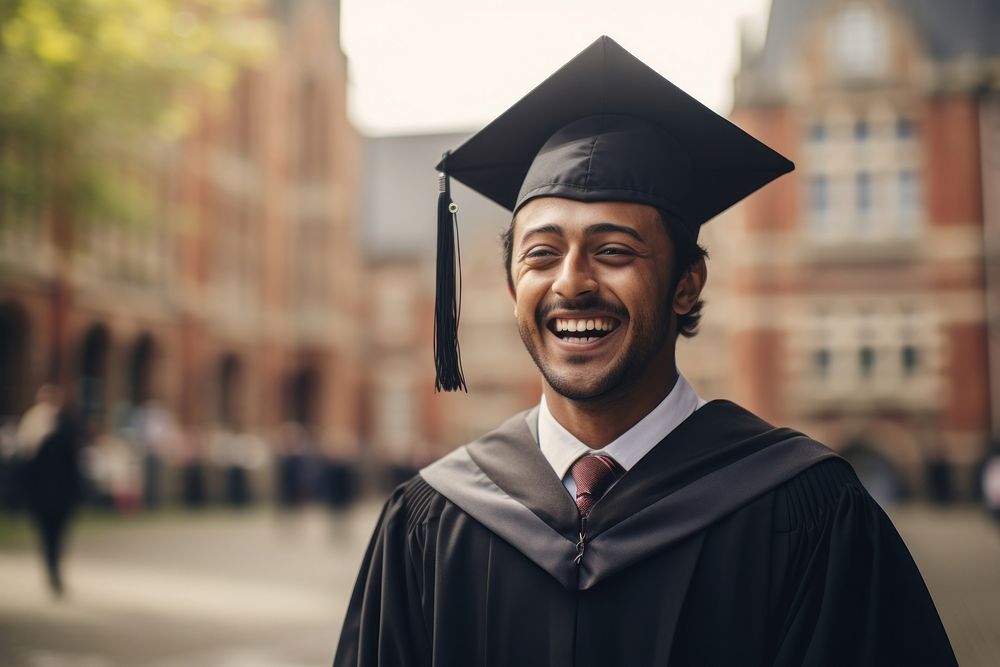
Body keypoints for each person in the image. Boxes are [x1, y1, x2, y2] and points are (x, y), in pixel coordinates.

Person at [334, 37, 956, 666]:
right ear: (511, 285)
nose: (571, 283)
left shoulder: (807, 513)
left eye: (614, 251)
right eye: (541, 255)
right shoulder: (432, 520)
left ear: (687, 284)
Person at [24, 404, 84, 597]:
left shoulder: (43, 444)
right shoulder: (70, 445)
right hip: (60, 501)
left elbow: (32, 473)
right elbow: (76, 476)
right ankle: (55, 572)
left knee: (48, 539)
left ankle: (52, 571)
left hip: (46, 501)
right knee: (57, 539)